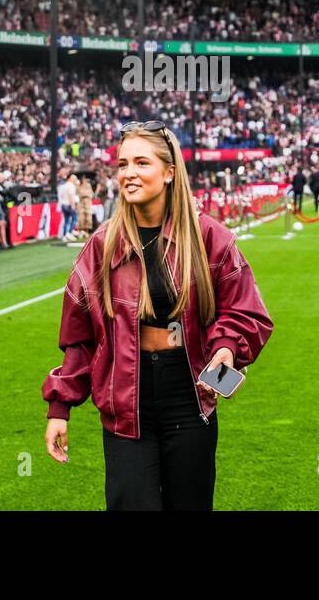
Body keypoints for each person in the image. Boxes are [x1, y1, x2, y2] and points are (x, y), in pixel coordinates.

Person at [43, 120, 274, 510]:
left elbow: (245, 311)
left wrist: (226, 349)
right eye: (122, 164)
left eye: (141, 163)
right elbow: (80, 339)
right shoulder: (101, 246)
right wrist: (59, 408)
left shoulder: (209, 238)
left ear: (169, 172)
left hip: (189, 397)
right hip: (125, 403)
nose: (129, 173)